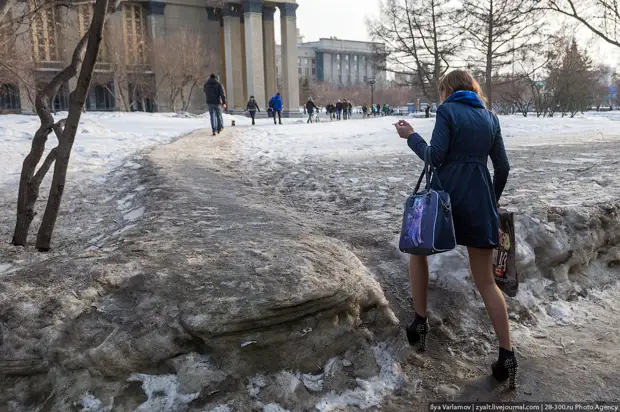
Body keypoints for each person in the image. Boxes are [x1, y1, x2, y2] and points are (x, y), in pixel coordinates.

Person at [394, 69, 516, 389]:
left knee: (417, 250)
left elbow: (434, 157)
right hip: (479, 206)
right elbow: (502, 167)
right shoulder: (490, 118)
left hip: (443, 204)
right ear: (473, 89)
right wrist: (491, 200)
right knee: (487, 282)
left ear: (447, 90)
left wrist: (411, 137)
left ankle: (420, 324)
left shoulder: (447, 110)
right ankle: (507, 356)